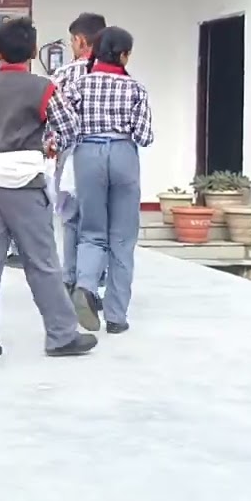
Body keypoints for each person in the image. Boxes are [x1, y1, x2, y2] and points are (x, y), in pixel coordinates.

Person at [0, 16, 97, 363]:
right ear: (34, 50)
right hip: (22, 181)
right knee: (42, 261)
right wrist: (48, 144)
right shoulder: (43, 87)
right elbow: (68, 128)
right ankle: (62, 335)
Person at [62, 26, 154, 335]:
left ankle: (86, 285)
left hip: (87, 154)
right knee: (123, 239)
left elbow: (64, 127)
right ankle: (116, 316)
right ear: (125, 55)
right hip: (123, 155)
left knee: (91, 231)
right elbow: (144, 136)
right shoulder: (136, 89)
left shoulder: (78, 86)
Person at [52, 12, 107, 292]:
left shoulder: (64, 74)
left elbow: (52, 115)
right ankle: (95, 274)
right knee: (99, 219)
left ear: (80, 40)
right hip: (106, 152)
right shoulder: (112, 73)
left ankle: (70, 276)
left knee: (70, 217)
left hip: (72, 151)